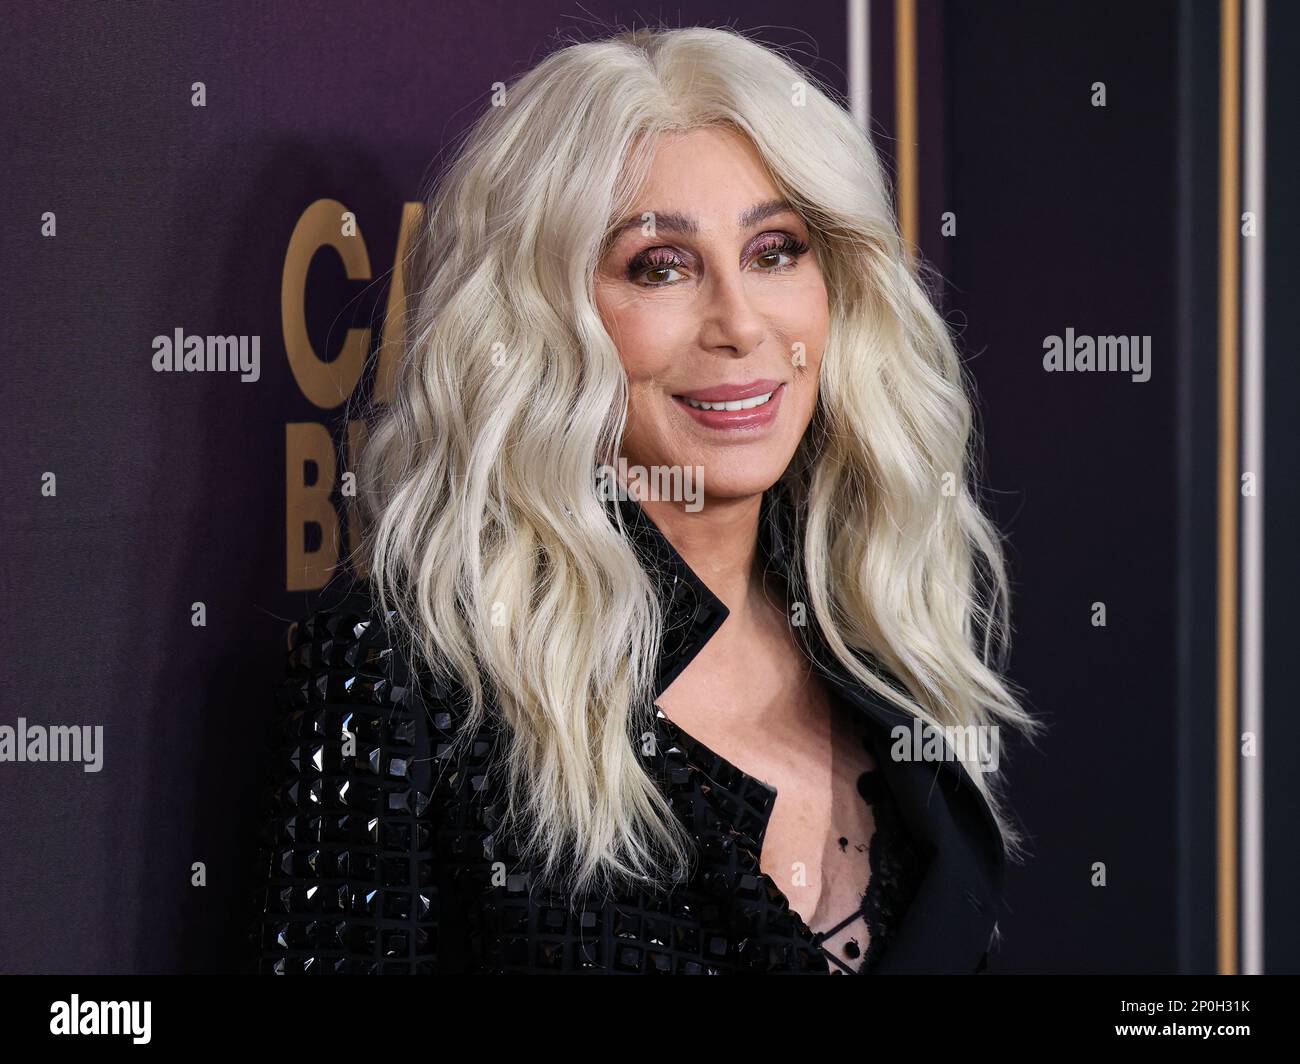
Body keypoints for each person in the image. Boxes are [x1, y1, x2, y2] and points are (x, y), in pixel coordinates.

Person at [251, 24, 1040, 975]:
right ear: (542, 321)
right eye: (659, 266)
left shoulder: (875, 629)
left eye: (775, 251)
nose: (741, 323)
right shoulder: (411, 670)